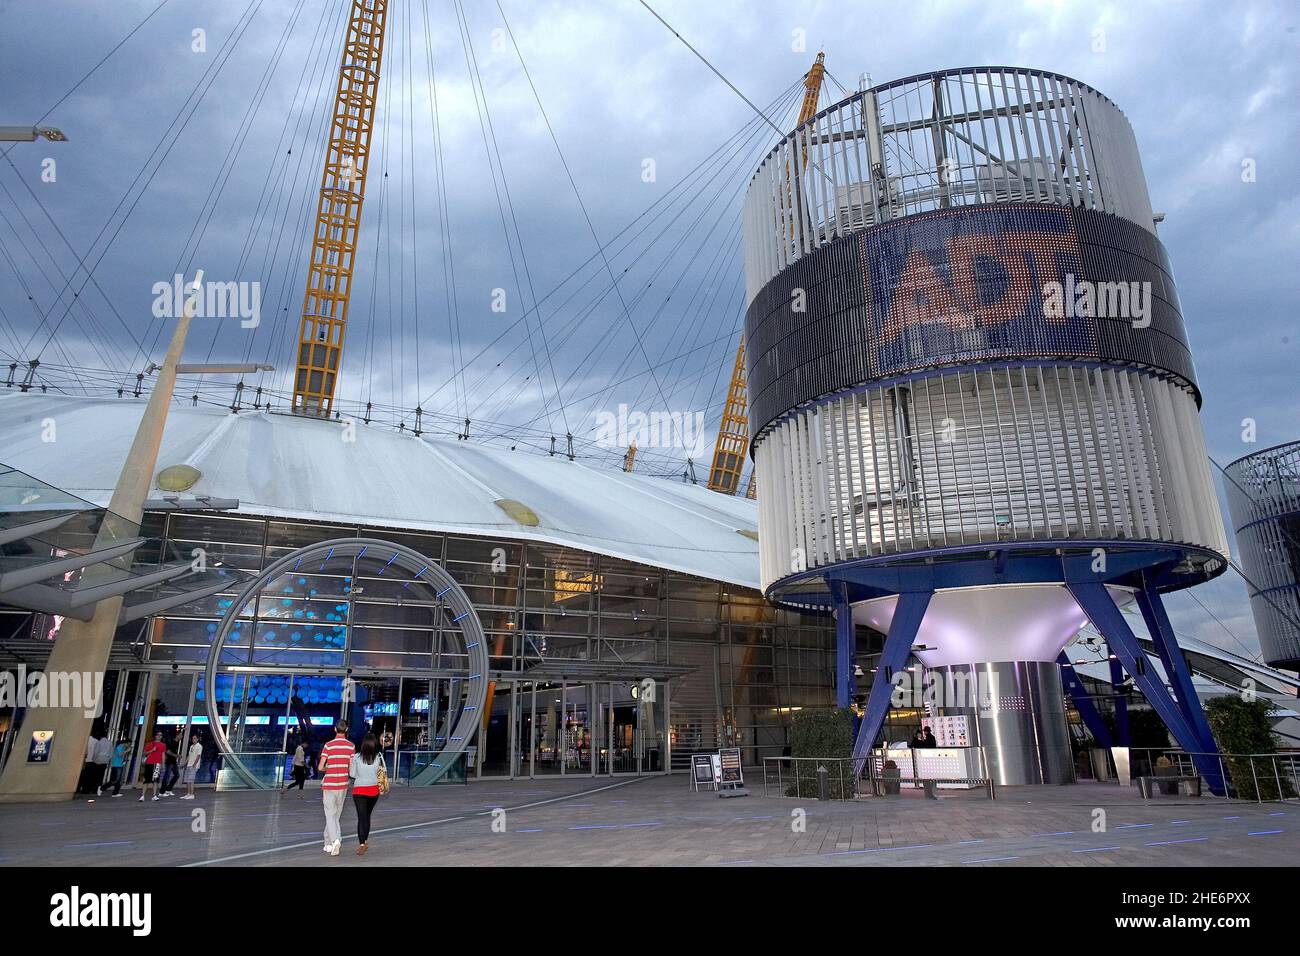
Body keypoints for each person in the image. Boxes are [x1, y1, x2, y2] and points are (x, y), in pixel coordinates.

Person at [318, 721, 354, 856]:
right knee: (335, 815)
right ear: (347, 729)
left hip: (329, 784)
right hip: (343, 784)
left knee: (329, 814)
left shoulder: (328, 745)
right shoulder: (351, 746)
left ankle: (335, 840)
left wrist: (329, 768)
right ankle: (327, 843)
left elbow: (320, 767)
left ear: (335, 729)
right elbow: (350, 768)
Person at [349, 732, 384, 856]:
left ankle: (362, 843)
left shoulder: (356, 757)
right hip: (373, 790)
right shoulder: (378, 757)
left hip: (359, 790)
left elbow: (352, 774)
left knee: (361, 817)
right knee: (367, 816)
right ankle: (365, 841)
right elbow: (381, 773)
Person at [140, 731, 166, 801]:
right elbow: (144, 753)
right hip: (149, 763)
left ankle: (154, 795)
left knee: (156, 780)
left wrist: (163, 764)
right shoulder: (149, 744)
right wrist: (152, 750)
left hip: (157, 764)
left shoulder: (163, 745)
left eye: (161, 735)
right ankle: (142, 796)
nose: (159, 736)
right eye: (158, 735)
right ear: (155, 736)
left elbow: (163, 754)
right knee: (146, 780)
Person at [180, 732, 203, 799]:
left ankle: (192, 794)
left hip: (193, 766)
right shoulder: (191, 746)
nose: (193, 740)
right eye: (192, 738)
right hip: (189, 765)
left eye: (195, 738)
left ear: (197, 739)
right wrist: (184, 763)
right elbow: (189, 756)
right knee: (187, 780)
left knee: (191, 780)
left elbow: (198, 756)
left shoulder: (199, 746)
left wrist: (194, 764)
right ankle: (188, 793)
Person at [159, 729, 182, 796]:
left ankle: (168, 789)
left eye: (182, 735)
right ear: (177, 735)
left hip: (173, 762)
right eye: (180, 735)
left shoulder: (177, 743)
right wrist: (176, 756)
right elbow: (167, 751)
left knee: (177, 775)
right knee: (167, 776)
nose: (181, 736)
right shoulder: (171, 742)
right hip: (169, 761)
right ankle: (162, 792)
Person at [89, 732, 112, 798]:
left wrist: (93, 759)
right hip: (105, 761)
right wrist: (107, 759)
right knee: (101, 775)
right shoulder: (110, 743)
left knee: (95, 775)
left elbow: (96, 752)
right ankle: (98, 789)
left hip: (98, 760)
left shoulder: (98, 743)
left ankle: (94, 788)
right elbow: (111, 753)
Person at [79, 729, 101, 794]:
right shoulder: (96, 741)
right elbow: (97, 752)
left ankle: (78, 788)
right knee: (89, 776)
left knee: (82, 775)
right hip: (92, 761)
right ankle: (86, 790)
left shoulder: (84, 740)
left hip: (84, 761)